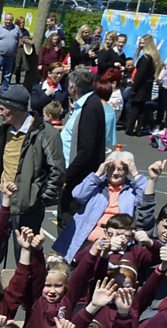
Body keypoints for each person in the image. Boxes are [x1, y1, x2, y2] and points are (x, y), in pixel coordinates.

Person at [0, 84, 66, 259]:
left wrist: (40, 198)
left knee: (24, 254)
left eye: (2, 109)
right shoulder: (3, 131)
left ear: (16, 109)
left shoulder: (46, 133)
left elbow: (57, 170)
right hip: (1, 197)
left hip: (27, 203)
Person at [60, 68, 106, 227]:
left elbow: (86, 149)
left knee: (68, 219)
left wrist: (67, 175)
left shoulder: (90, 108)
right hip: (75, 172)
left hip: (78, 176)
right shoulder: (86, 104)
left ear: (73, 87)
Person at [125, 35, 159, 136]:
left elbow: (140, 74)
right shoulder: (152, 57)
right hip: (147, 85)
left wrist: (134, 88)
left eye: (143, 43)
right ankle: (138, 130)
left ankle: (130, 129)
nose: (141, 45)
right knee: (141, 108)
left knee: (135, 107)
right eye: (140, 43)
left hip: (141, 86)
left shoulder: (146, 58)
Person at [0, 12, 21, 89]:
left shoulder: (16, 28)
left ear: (12, 20)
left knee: (7, 76)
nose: (8, 21)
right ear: (4, 19)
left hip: (10, 56)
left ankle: (4, 91)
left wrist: (16, 50)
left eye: (10, 20)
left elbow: (20, 39)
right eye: (7, 19)